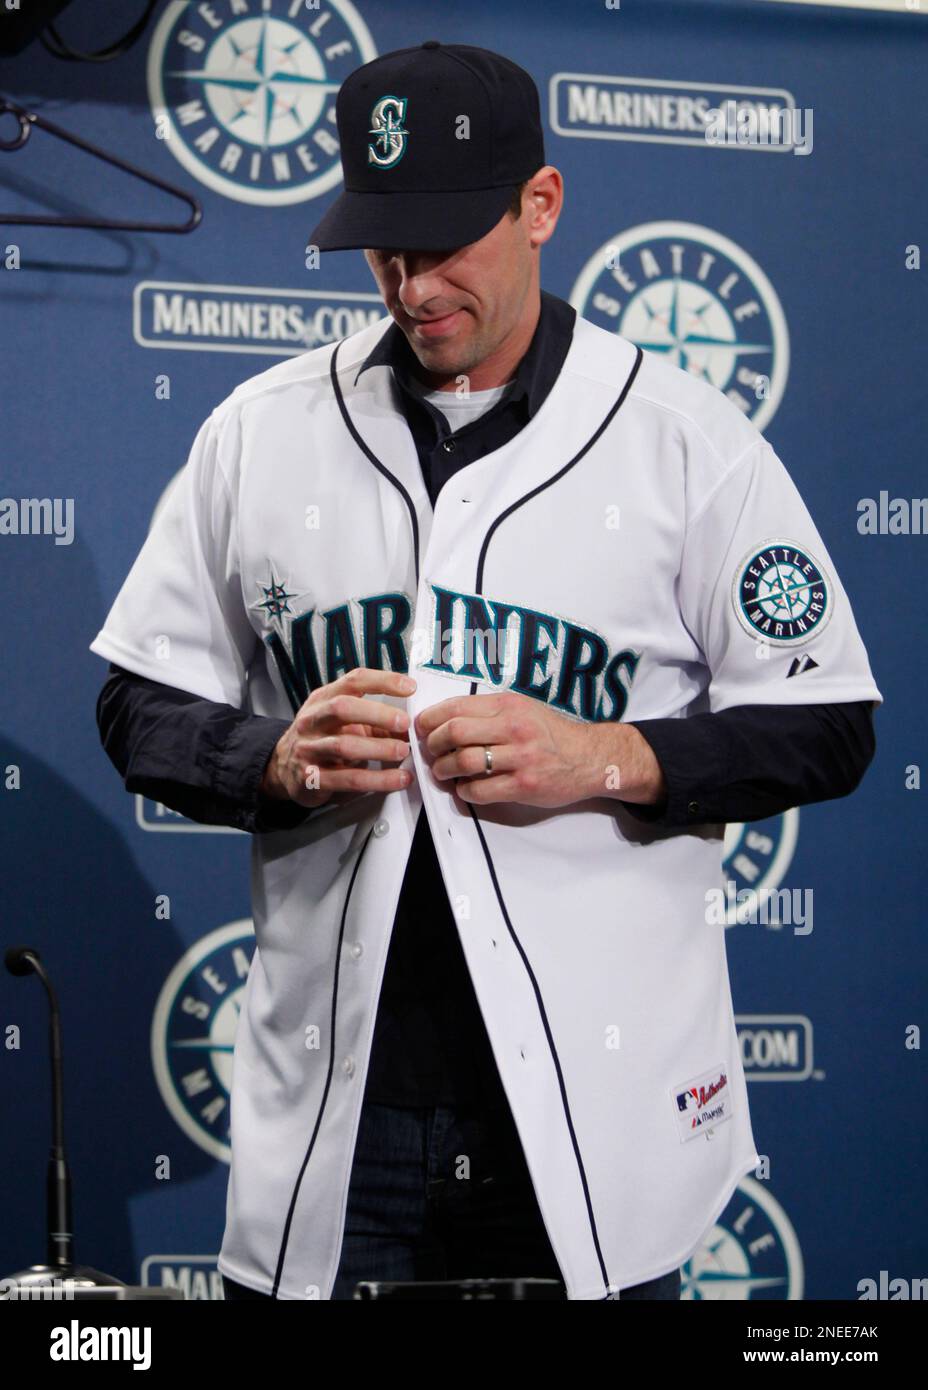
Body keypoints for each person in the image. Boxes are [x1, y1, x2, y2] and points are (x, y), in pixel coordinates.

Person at [90, 42, 882, 1301]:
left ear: (540, 206)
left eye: (449, 239)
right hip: (338, 1116)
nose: (414, 285)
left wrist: (608, 755)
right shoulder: (261, 431)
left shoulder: (683, 441)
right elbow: (137, 700)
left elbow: (827, 723)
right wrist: (272, 758)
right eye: (386, 247)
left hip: (588, 1108)